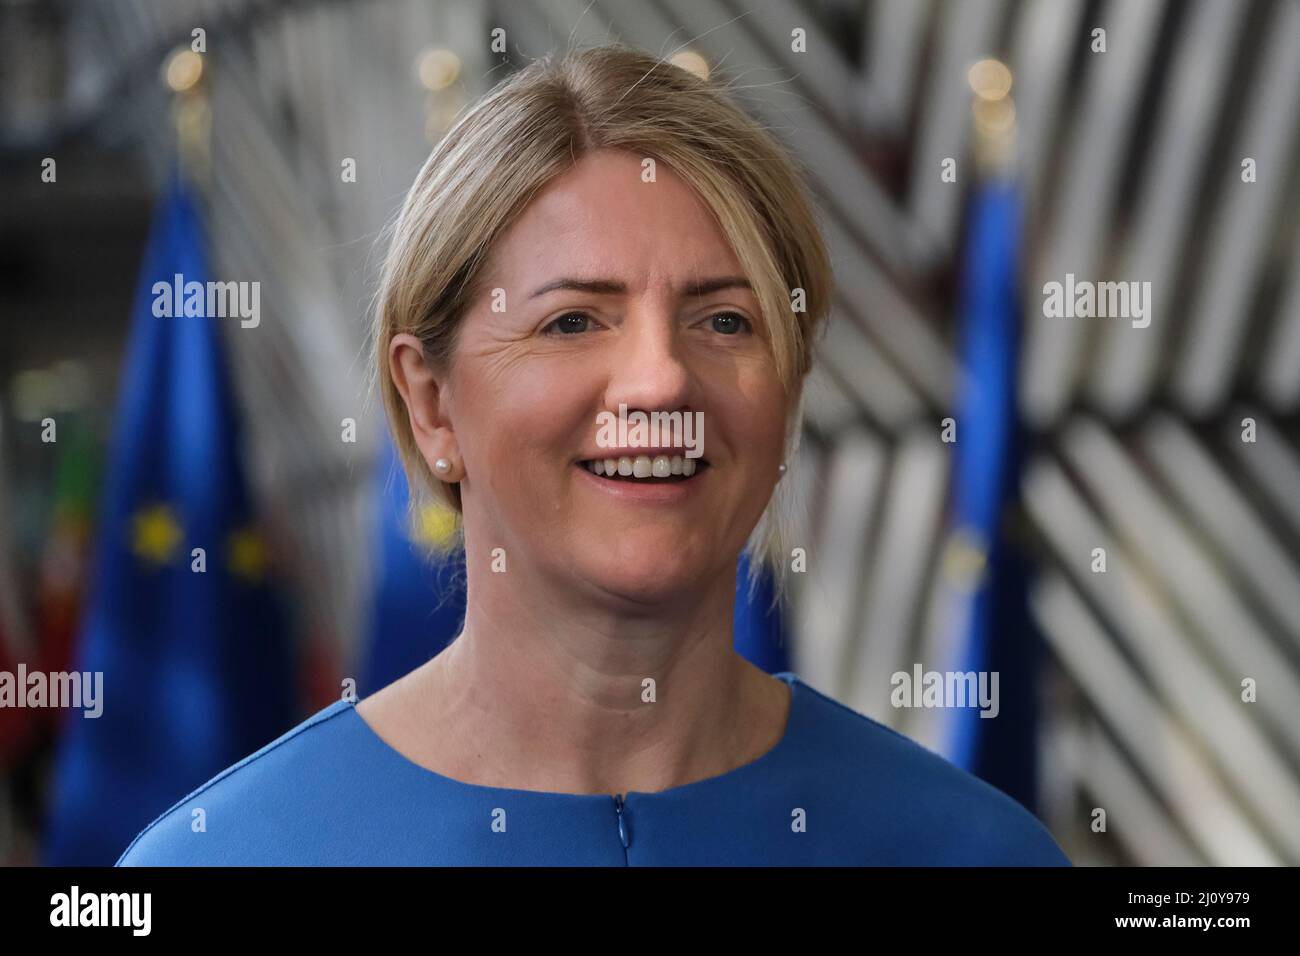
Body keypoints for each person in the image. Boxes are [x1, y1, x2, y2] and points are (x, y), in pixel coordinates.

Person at [118, 43, 1069, 866]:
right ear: (430, 399)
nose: (659, 381)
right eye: (572, 320)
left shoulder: (972, 853)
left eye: (724, 321)